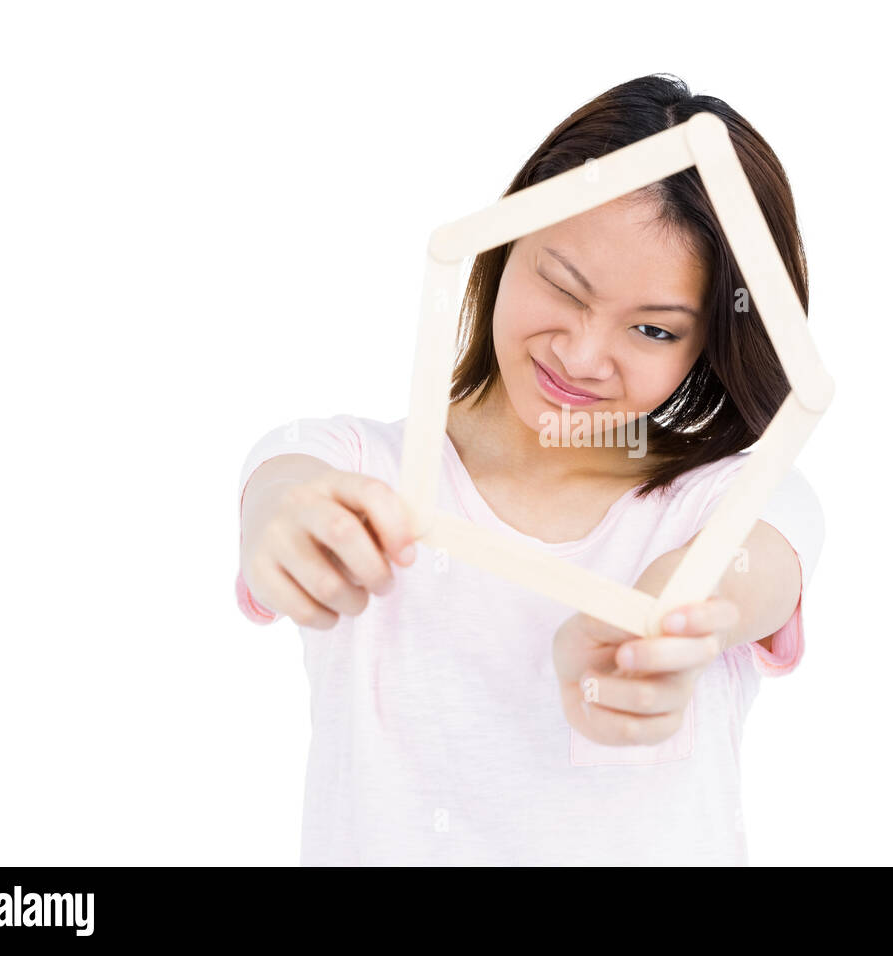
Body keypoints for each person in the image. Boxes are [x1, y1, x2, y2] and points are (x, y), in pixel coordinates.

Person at [234, 73, 826, 865]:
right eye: (562, 284)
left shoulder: (735, 501)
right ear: (506, 241)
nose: (582, 357)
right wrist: (288, 526)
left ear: (707, 347)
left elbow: (738, 572)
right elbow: (283, 491)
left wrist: (650, 630)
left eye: (652, 330)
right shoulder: (352, 464)